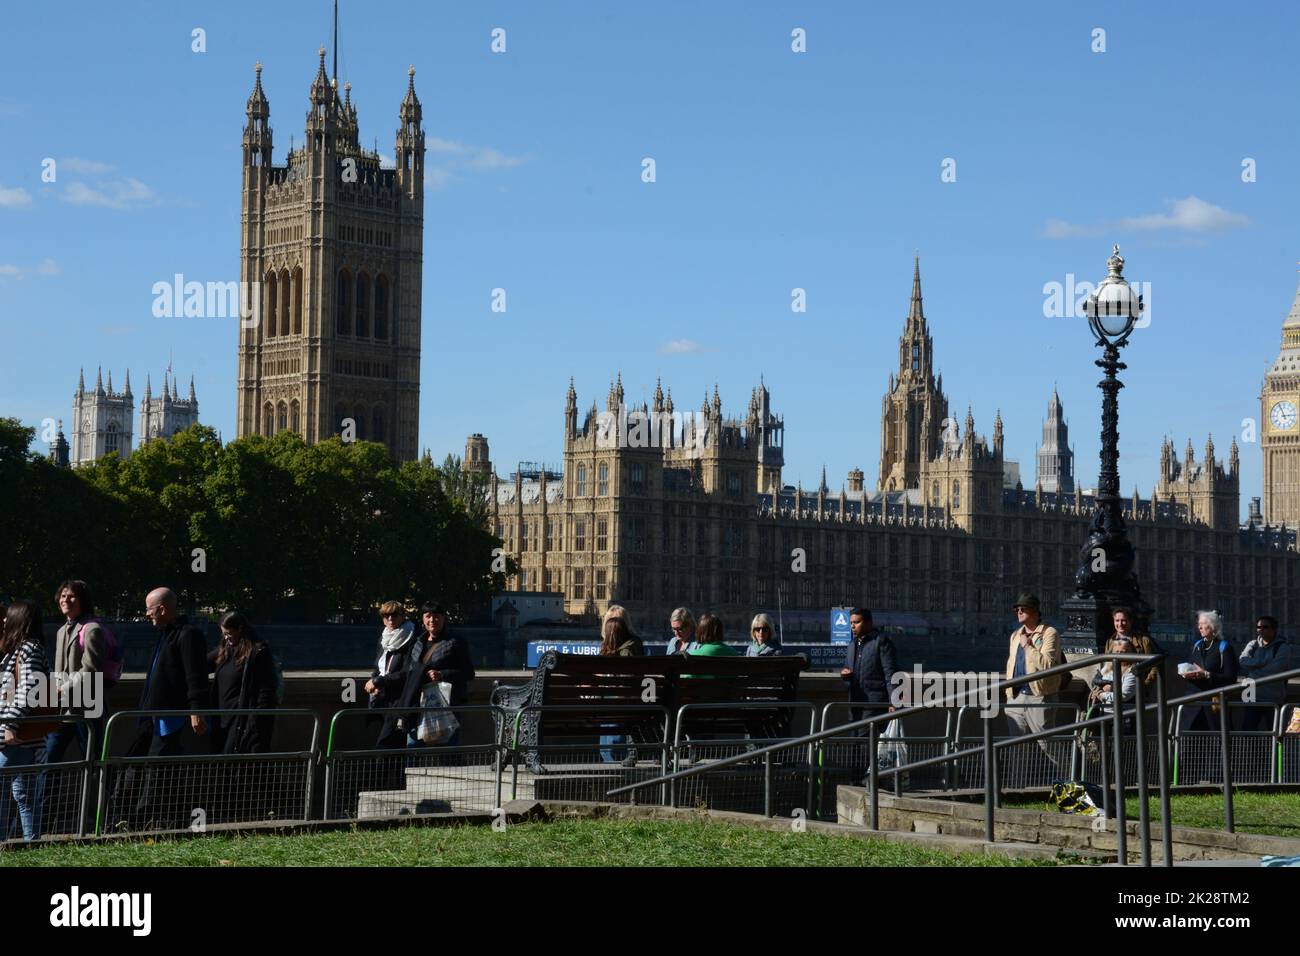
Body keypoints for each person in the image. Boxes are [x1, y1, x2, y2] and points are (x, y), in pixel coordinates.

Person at [114, 587, 209, 830]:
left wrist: (196, 711)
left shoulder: (188, 635)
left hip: (169, 718)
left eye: (149, 609)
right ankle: (135, 817)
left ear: (163, 608)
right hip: (150, 717)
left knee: (158, 771)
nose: (147, 615)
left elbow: (195, 676)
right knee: (135, 766)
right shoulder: (166, 633)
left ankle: (156, 821)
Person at [374, 603, 476, 749]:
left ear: (443, 618)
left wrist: (442, 674)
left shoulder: (455, 642)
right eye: (428, 616)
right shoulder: (417, 642)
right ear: (423, 619)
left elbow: (468, 672)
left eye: (436, 616)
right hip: (418, 704)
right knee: (413, 747)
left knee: (446, 750)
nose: (432, 620)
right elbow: (408, 672)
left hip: (445, 705)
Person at [0, 600, 52, 841]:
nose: (3, 621)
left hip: (17, 735)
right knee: (24, 794)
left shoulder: (28, 649)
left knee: (20, 793)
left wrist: (10, 725)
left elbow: (28, 690)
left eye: (8, 617)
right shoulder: (23, 650)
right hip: (24, 736)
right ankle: (32, 842)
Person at [1003, 594, 1066, 778]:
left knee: (1047, 743)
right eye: (1017, 609)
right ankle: (1016, 787)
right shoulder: (1015, 635)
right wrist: (1008, 694)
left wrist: (1028, 647)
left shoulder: (1049, 633)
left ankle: (1068, 781)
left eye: (1023, 609)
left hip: (1039, 695)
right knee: (1016, 746)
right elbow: (1011, 665)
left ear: (1035, 611)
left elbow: (1046, 664)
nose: (1019, 612)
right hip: (1015, 696)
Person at [48, 580, 109, 764]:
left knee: (92, 760)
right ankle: (47, 794)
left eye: (72, 596)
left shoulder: (92, 629)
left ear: (83, 600)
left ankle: (104, 793)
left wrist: (62, 689)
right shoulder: (61, 631)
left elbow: (90, 669)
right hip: (63, 709)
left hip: (86, 708)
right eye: (63, 595)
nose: (66, 599)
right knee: (50, 758)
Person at [207, 611, 277, 754]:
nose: (226, 638)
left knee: (233, 759)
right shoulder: (226, 649)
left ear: (240, 629)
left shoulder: (257, 652)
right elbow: (201, 665)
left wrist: (256, 722)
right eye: (224, 634)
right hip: (222, 717)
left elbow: (266, 690)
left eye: (229, 633)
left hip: (242, 720)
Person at [365, 601, 417, 747]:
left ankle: (382, 770)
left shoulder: (411, 639)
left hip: (399, 701)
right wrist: (375, 680)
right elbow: (378, 667)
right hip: (381, 698)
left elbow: (407, 673)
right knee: (391, 746)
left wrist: (378, 681)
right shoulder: (384, 638)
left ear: (402, 617)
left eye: (394, 615)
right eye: (385, 616)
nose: (390, 619)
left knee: (385, 744)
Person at [1182, 610, 1238, 732]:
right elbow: (1191, 666)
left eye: (1203, 624)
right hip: (1193, 703)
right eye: (1199, 624)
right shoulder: (1196, 646)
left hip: (1213, 705)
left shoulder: (1224, 648)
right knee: (1189, 741)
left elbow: (1231, 678)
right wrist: (1187, 673)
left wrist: (1207, 674)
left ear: (1213, 626)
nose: (1199, 627)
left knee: (1214, 741)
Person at [1238, 616, 1292, 733]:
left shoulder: (1282, 648)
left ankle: (1271, 752)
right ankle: (1256, 752)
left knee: (1275, 733)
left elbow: (1274, 671)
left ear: (1274, 629)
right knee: (1248, 731)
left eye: (1265, 627)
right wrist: (1262, 662)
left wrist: (1253, 669)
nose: (1260, 630)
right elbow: (1242, 661)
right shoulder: (1253, 644)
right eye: (1258, 627)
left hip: (1273, 697)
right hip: (1251, 696)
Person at [840, 607, 896, 717]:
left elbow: (890, 673)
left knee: (865, 733)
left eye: (856, 622)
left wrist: (893, 701)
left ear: (869, 623)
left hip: (874, 704)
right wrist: (845, 675)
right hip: (854, 703)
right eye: (851, 623)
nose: (852, 626)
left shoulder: (881, 642)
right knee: (853, 734)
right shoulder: (852, 644)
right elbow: (848, 669)